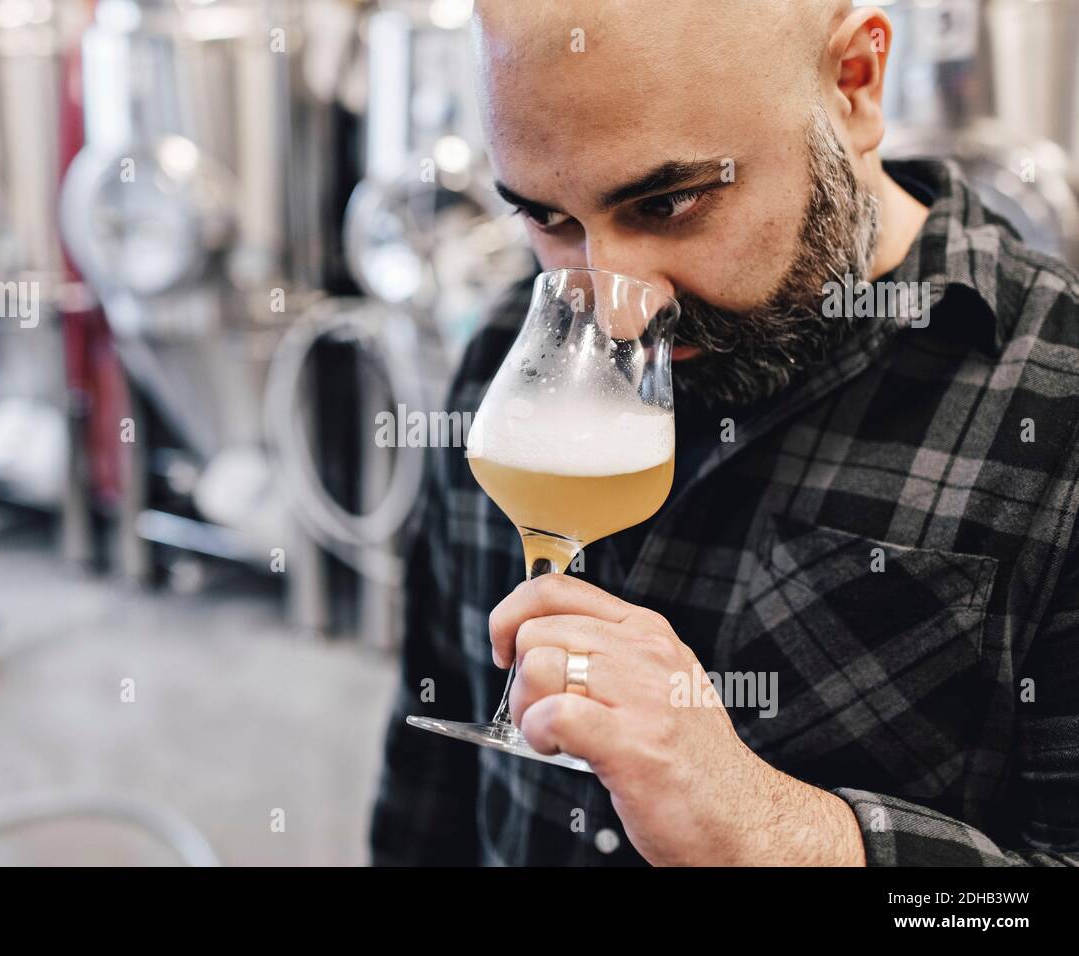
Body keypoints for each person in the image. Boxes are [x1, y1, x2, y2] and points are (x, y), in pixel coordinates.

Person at [370, 0, 1079, 866]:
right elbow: (431, 784)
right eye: (548, 219)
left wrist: (768, 832)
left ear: (854, 84)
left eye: (667, 203)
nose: (618, 308)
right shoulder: (508, 358)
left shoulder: (1054, 404)